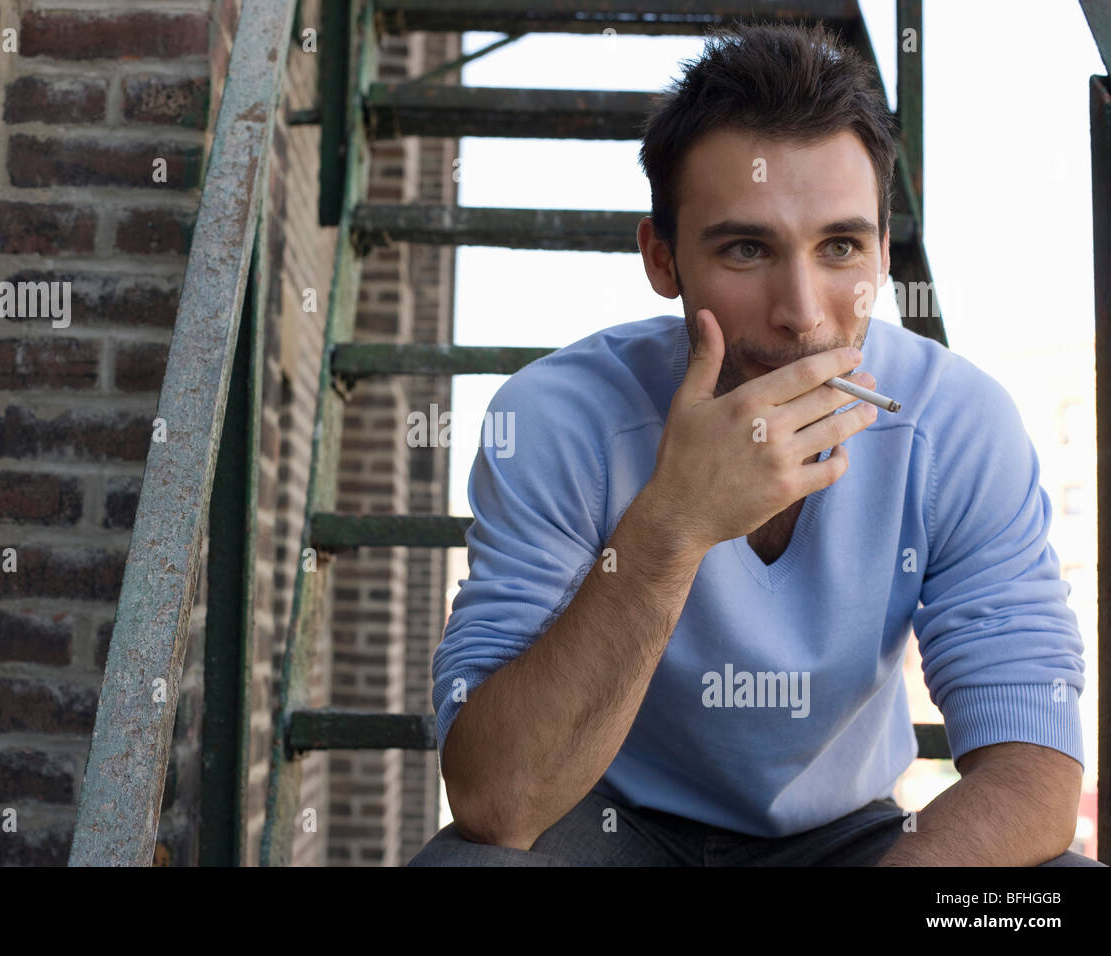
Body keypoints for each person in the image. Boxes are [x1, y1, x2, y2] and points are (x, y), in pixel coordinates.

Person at [408, 21, 1103, 867]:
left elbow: (1033, 773)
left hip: (851, 840)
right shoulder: (559, 419)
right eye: (747, 248)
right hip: (611, 830)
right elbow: (494, 798)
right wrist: (675, 522)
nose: (802, 312)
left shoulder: (956, 425)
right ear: (662, 259)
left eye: (840, 246)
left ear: (884, 253)